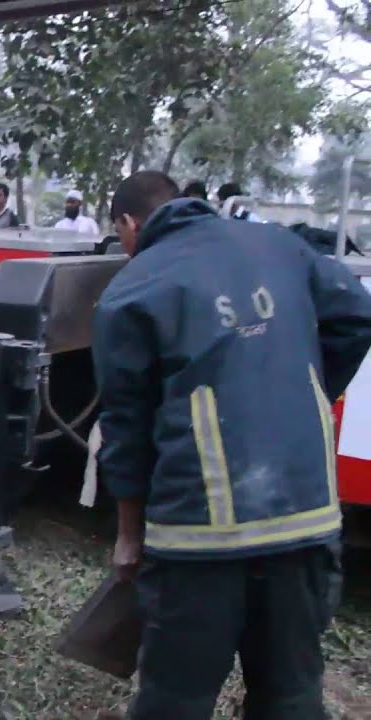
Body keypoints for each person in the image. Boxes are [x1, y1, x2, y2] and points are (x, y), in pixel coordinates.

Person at [92, 170, 371, 719]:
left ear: (129, 223)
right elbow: (358, 317)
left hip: (199, 538)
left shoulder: (132, 288)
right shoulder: (279, 244)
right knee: (291, 696)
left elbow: (124, 430)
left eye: (119, 233)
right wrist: (305, 389)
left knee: (176, 699)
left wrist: (129, 535)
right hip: (306, 520)